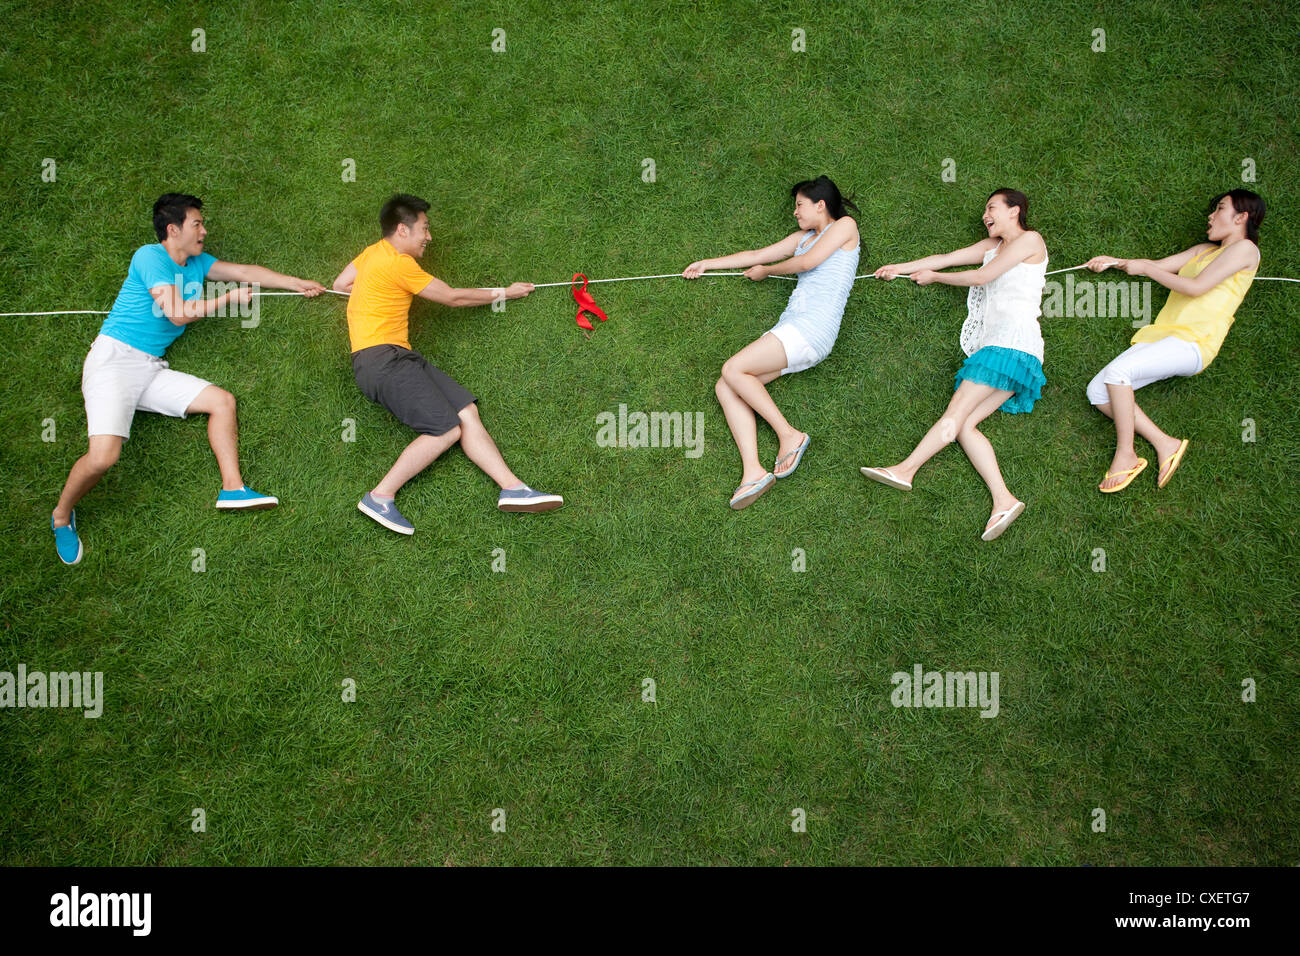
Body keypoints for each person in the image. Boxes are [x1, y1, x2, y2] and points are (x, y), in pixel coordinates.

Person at [50, 193, 325, 565]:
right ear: (172, 229)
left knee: (221, 401)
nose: (204, 230)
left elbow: (245, 272)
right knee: (103, 458)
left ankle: (232, 488)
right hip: (114, 361)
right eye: (197, 224)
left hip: (149, 367)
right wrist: (226, 300)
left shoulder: (198, 263)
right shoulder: (149, 256)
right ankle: (61, 517)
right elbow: (177, 313)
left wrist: (297, 282)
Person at [333, 193, 562, 535]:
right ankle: (380, 496)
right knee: (445, 429)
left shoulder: (372, 254)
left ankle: (513, 488)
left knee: (465, 411)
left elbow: (340, 284)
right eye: (424, 228)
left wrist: (374, 293)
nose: (429, 236)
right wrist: (506, 293)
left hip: (396, 357)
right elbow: (452, 298)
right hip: (383, 360)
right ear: (402, 229)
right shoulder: (398, 264)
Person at [861, 188, 1047, 541]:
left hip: (1009, 347)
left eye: (992, 208)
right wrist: (901, 268)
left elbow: (979, 277)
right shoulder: (992, 248)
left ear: (1015, 211)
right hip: (1013, 351)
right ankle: (1004, 499)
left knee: (955, 411)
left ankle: (906, 470)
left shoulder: (1029, 240)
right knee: (964, 426)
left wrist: (935, 278)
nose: (985, 215)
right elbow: (947, 257)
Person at [682, 175, 860, 509]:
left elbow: (807, 263)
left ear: (821, 204)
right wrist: (708, 264)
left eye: (799, 205)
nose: (795, 212)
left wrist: (768, 271)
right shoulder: (804, 237)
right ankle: (753, 472)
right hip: (797, 331)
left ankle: (789, 435)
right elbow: (756, 253)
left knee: (733, 368)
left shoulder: (844, 226)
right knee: (726, 386)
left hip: (811, 329)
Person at [1084, 189, 1264, 492]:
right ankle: (1165, 443)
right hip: (1166, 337)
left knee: (1117, 375)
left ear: (1241, 216)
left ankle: (1126, 454)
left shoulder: (1245, 249)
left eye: (1220, 209)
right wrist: (1116, 262)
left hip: (1194, 341)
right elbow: (1156, 264)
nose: (1211, 216)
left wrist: (1148, 269)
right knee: (1098, 391)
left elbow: (1196, 287)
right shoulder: (1204, 250)